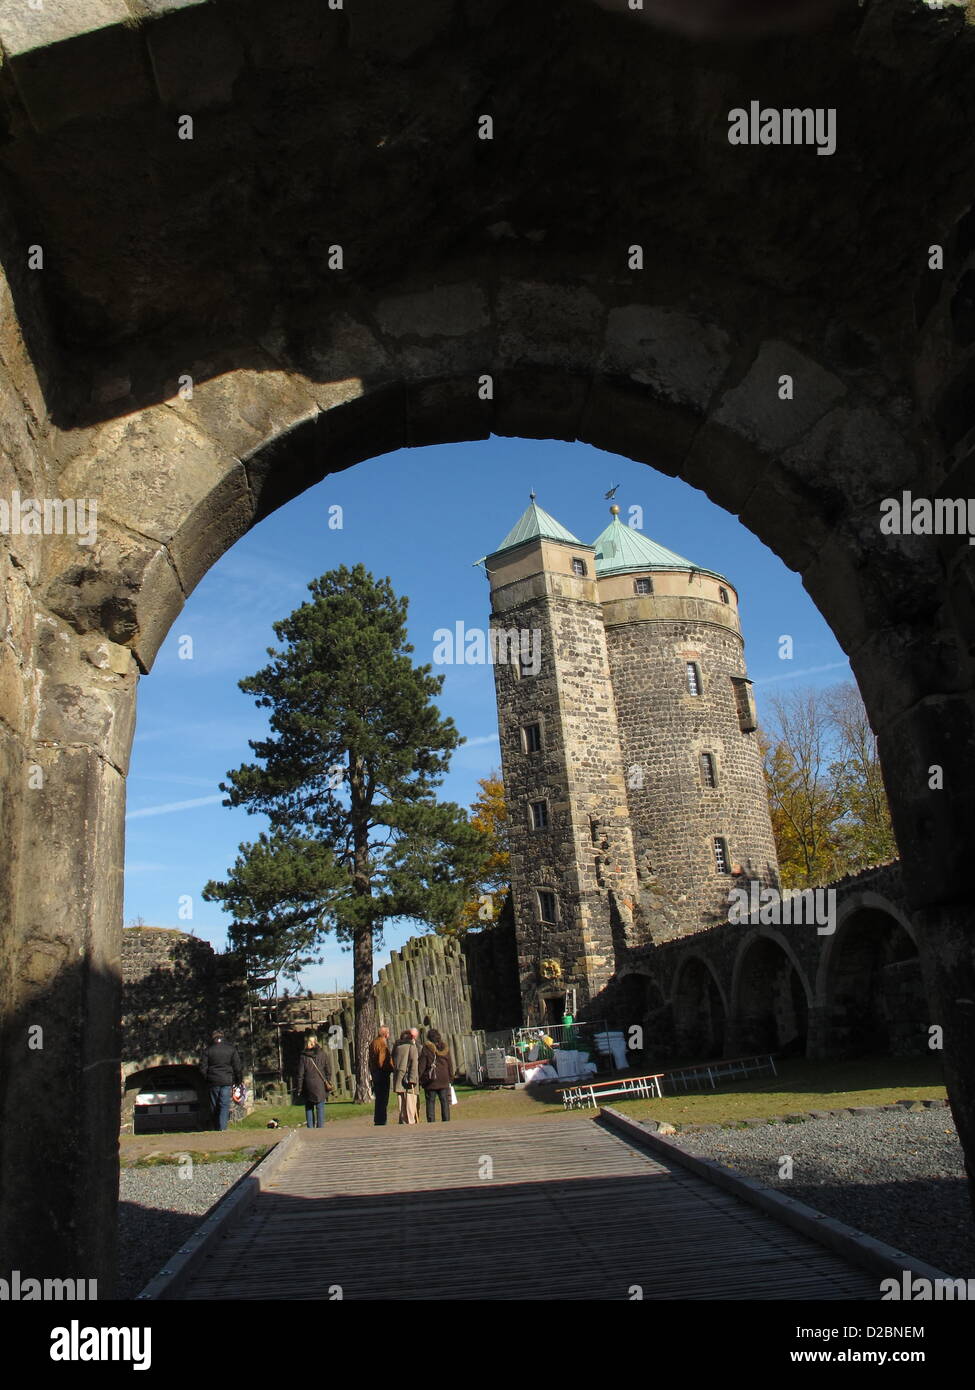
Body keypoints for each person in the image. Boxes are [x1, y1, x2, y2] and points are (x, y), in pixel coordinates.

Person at [201, 1029, 243, 1131]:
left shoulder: (208, 1050)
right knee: (224, 1105)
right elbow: (237, 1067)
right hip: (227, 1080)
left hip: (213, 1081)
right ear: (223, 1037)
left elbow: (203, 1068)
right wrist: (238, 1080)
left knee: (214, 1105)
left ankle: (214, 1126)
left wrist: (207, 1078)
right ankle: (222, 1128)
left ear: (213, 1038)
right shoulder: (231, 1049)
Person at [294, 1033, 332, 1128]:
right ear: (316, 1042)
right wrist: (327, 1080)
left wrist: (299, 1089)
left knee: (309, 1107)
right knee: (320, 1107)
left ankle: (310, 1128)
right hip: (320, 1085)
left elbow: (300, 1074)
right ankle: (320, 1128)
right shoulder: (323, 1054)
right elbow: (328, 1070)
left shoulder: (303, 1057)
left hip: (308, 1085)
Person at [419, 1027, 454, 1123]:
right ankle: (446, 1121)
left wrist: (420, 1079)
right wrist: (451, 1077)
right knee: (444, 1101)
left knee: (430, 1102)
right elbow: (450, 1064)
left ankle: (431, 1123)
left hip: (431, 1080)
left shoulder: (426, 1049)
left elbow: (422, 1065)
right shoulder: (445, 1048)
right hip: (444, 1078)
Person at [392, 1029, 420, 1124]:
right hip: (409, 1080)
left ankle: (403, 1123)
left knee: (402, 1107)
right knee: (410, 1106)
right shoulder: (411, 1047)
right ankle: (410, 1124)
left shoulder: (396, 1047)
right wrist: (412, 1079)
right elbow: (414, 1063)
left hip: (399, 1079)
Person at [368, 1025, 394, 1126]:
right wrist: (391, 1067)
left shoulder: (373, 1043)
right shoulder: (382, 1044)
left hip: (375, 1073)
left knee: (379, 1098)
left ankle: (378, 1119)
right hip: (382, 1074)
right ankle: (381, 1120)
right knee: (383, 1099)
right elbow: (381, 1061)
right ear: (386, 1034)